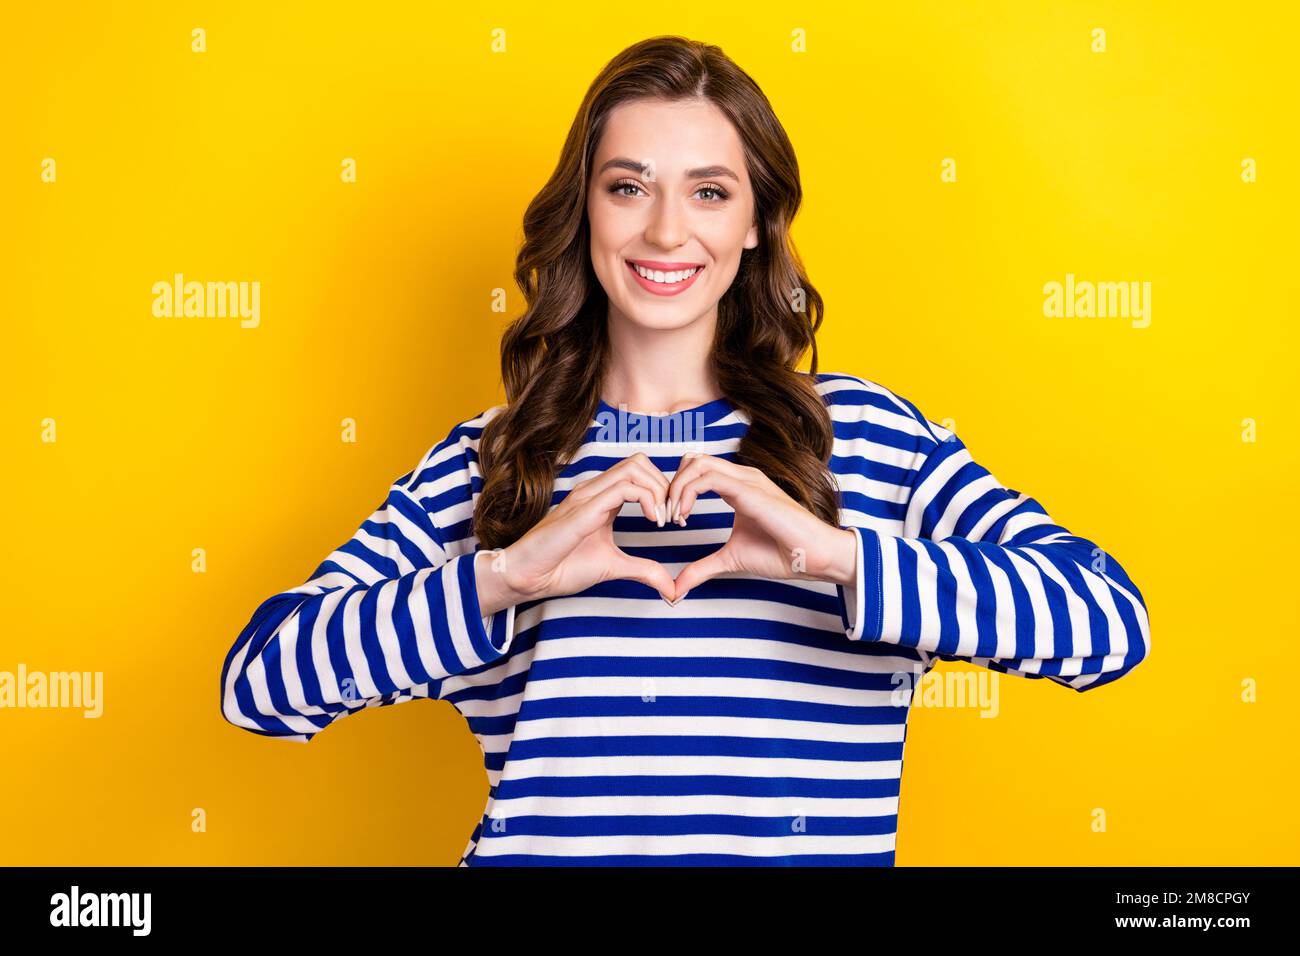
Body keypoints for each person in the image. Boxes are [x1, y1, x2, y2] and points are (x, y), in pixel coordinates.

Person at [219, 35, 1151, 866]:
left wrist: (839, 556)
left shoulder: (862, 441)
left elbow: (1109, 624)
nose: (667, 231)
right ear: (583, 213)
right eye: (628, 187)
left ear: (755, 224)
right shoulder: (493, 462)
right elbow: (258, 684)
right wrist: (502, 579)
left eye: (709, 191)